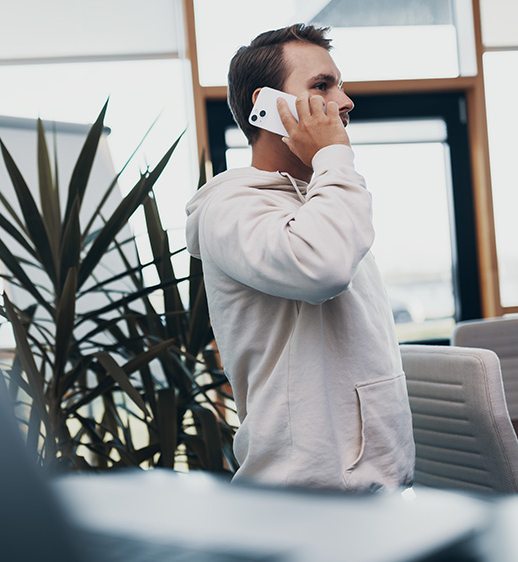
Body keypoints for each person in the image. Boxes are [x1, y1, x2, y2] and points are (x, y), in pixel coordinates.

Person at [185, 24, 414, 492]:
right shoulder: (229, 209)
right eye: (321, 86)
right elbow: (323, 267)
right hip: (305, 495)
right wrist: (333, 155)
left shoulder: (322, 199)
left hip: (368, 489)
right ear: (266, 107)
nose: (345, 101)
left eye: (339, 85)